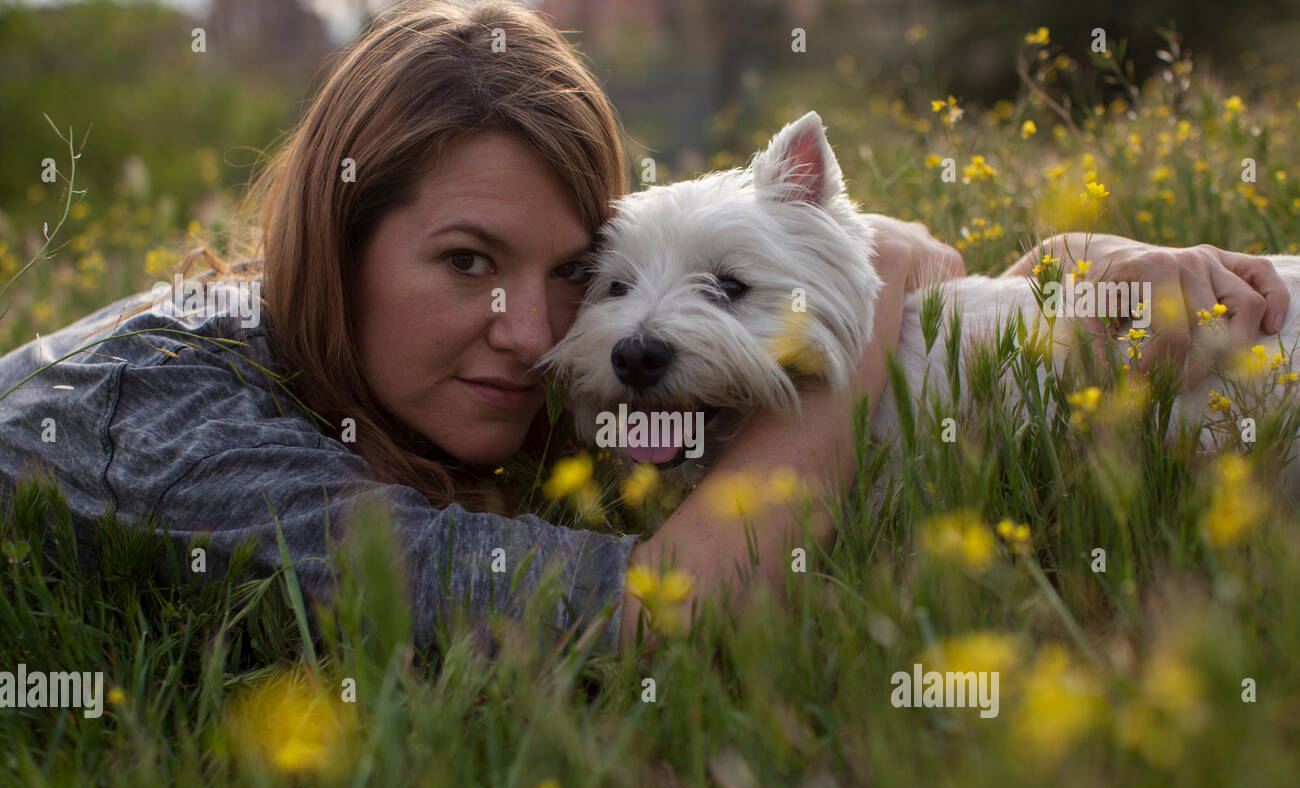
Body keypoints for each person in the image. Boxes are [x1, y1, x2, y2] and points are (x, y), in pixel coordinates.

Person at [0, 0, 1288, 661]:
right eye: (464, 261)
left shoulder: (433, 371)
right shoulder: (178, 437)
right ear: (330, 249)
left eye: (572, 273)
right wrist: (868, 310)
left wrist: (1093, 270)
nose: (530, 331)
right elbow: (655, 620)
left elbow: (908, 285)